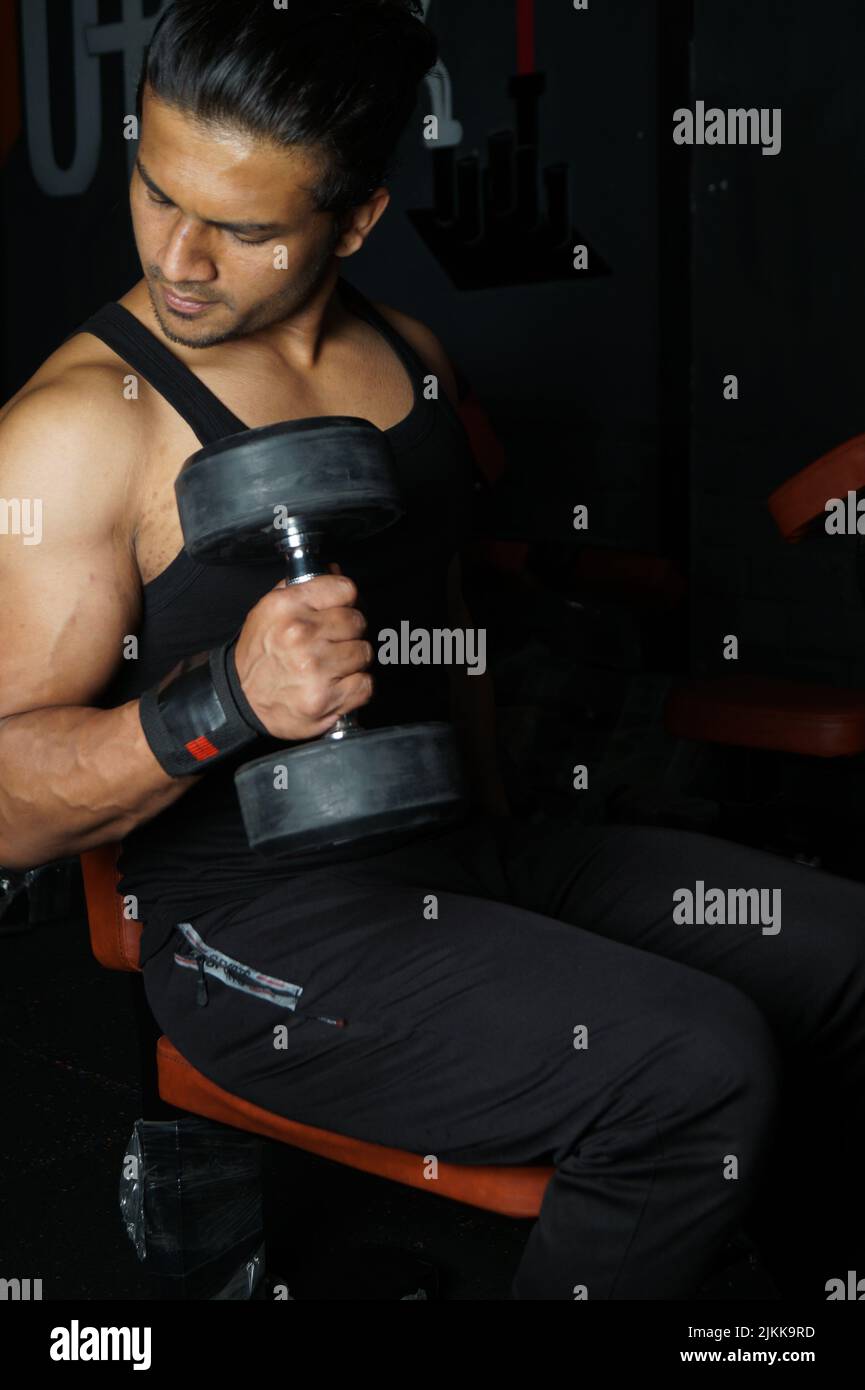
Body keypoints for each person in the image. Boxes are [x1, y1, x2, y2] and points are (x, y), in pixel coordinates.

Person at [0, 0, 861, 1300]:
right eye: (154, 187)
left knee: (844, 951)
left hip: (463, 851)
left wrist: (503, 828)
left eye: (243, 226)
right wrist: (222, 697)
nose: (178, 257)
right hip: (251, 927)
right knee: (695, 1063)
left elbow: (443, 621)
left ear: (353, 223)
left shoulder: (409, 361)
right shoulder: (81, 431)